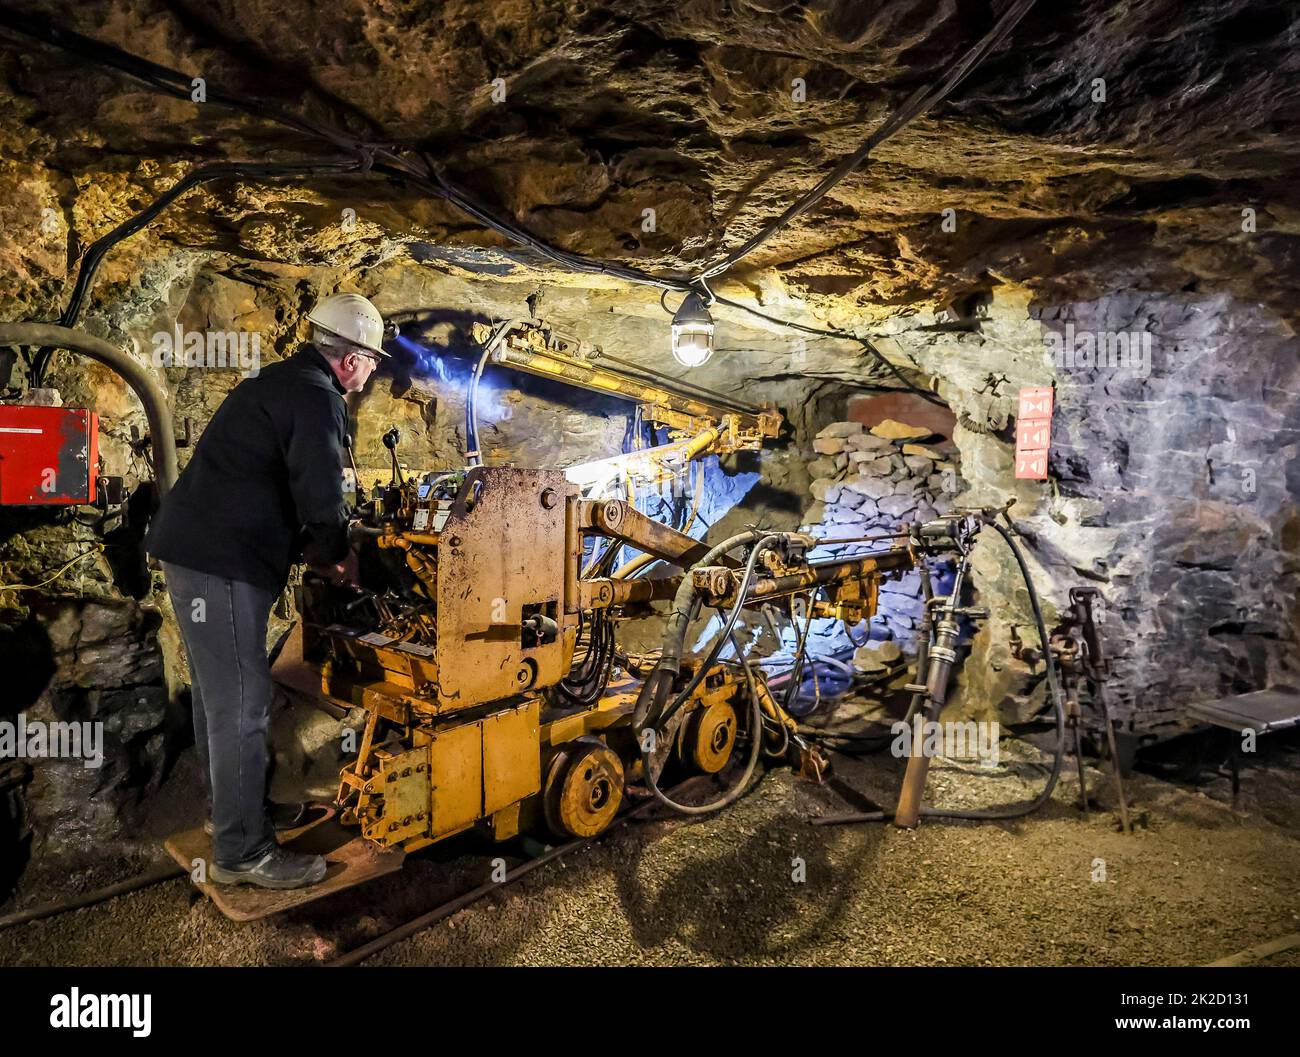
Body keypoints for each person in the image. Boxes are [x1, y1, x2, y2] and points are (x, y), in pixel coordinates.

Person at [146, 293, 387, 889]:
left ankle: (235, 812)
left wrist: (318, 542)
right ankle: (243, 853)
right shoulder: (316, 397)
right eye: (373, 362)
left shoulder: (282, 380)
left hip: (198, 555)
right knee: (243, 706)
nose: (371, 373)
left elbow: (284, 484)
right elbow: (321, 494)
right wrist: (339, 556)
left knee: (215, 698)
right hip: (222, 564)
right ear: (352, 359)